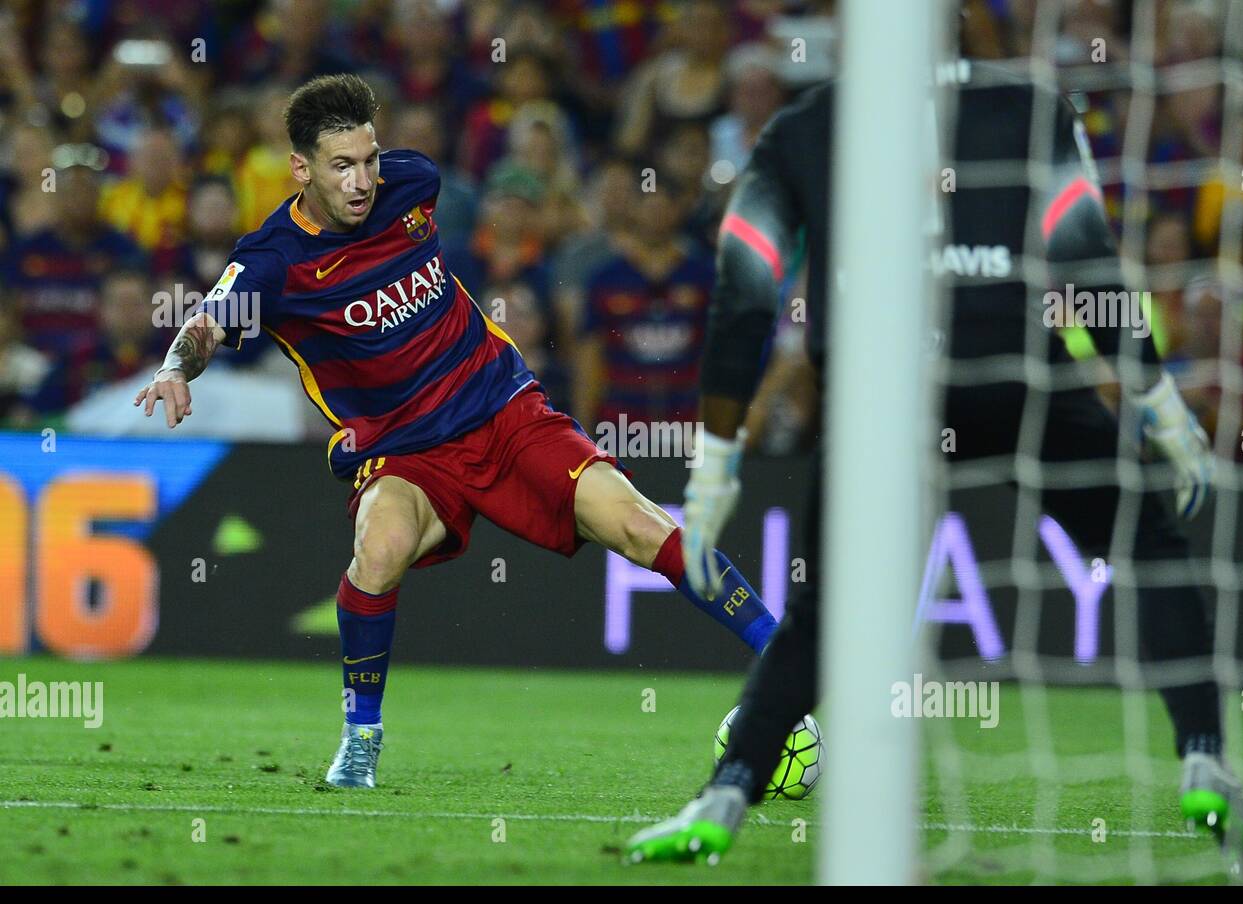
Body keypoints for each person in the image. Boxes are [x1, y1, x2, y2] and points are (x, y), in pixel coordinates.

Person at [625, 66, 1243, 869]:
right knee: (1150, 547)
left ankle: (724, 797)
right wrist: (1159, 404)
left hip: (881, 399)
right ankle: (1205, 755)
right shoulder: (1028, 107)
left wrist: (717, 465)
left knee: (824, 616)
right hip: (1016, 379)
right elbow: (1089, 264)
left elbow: (747, 292)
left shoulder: (802, 129)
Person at [131, 73, 779, 789]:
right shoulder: (273, 259)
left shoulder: (415, 184)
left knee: (639, 526)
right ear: (301, 169)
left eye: (369, 159)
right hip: (404, 451)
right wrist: (174, 371)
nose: (362, 180)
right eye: (340, 166)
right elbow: (207, 323)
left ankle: (783, 661)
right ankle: (360, 738)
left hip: (502, 409)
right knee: (378, 552)